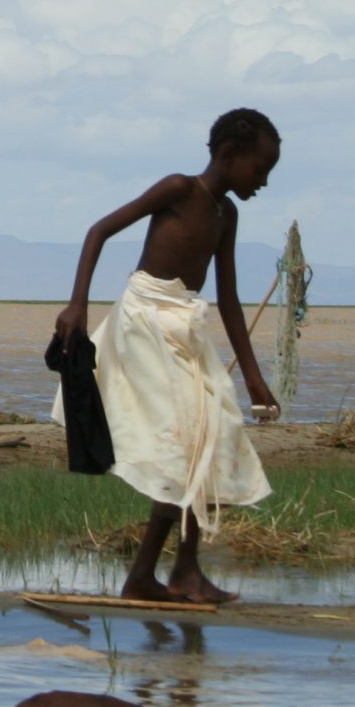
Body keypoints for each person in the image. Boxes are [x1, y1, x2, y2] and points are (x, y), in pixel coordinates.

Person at [52, 109, 281, 605]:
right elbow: (99, 231)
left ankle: (175, 573)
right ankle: (163, 575)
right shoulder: (178, 189)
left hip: (184, 322)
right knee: (183, 440)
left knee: (210, 434)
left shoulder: (227, 214)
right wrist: (78, 303)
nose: (263, 181)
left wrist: (255, 378)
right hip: (146, 319)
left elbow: (230, 299)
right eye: (259, 170)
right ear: (227, 156)